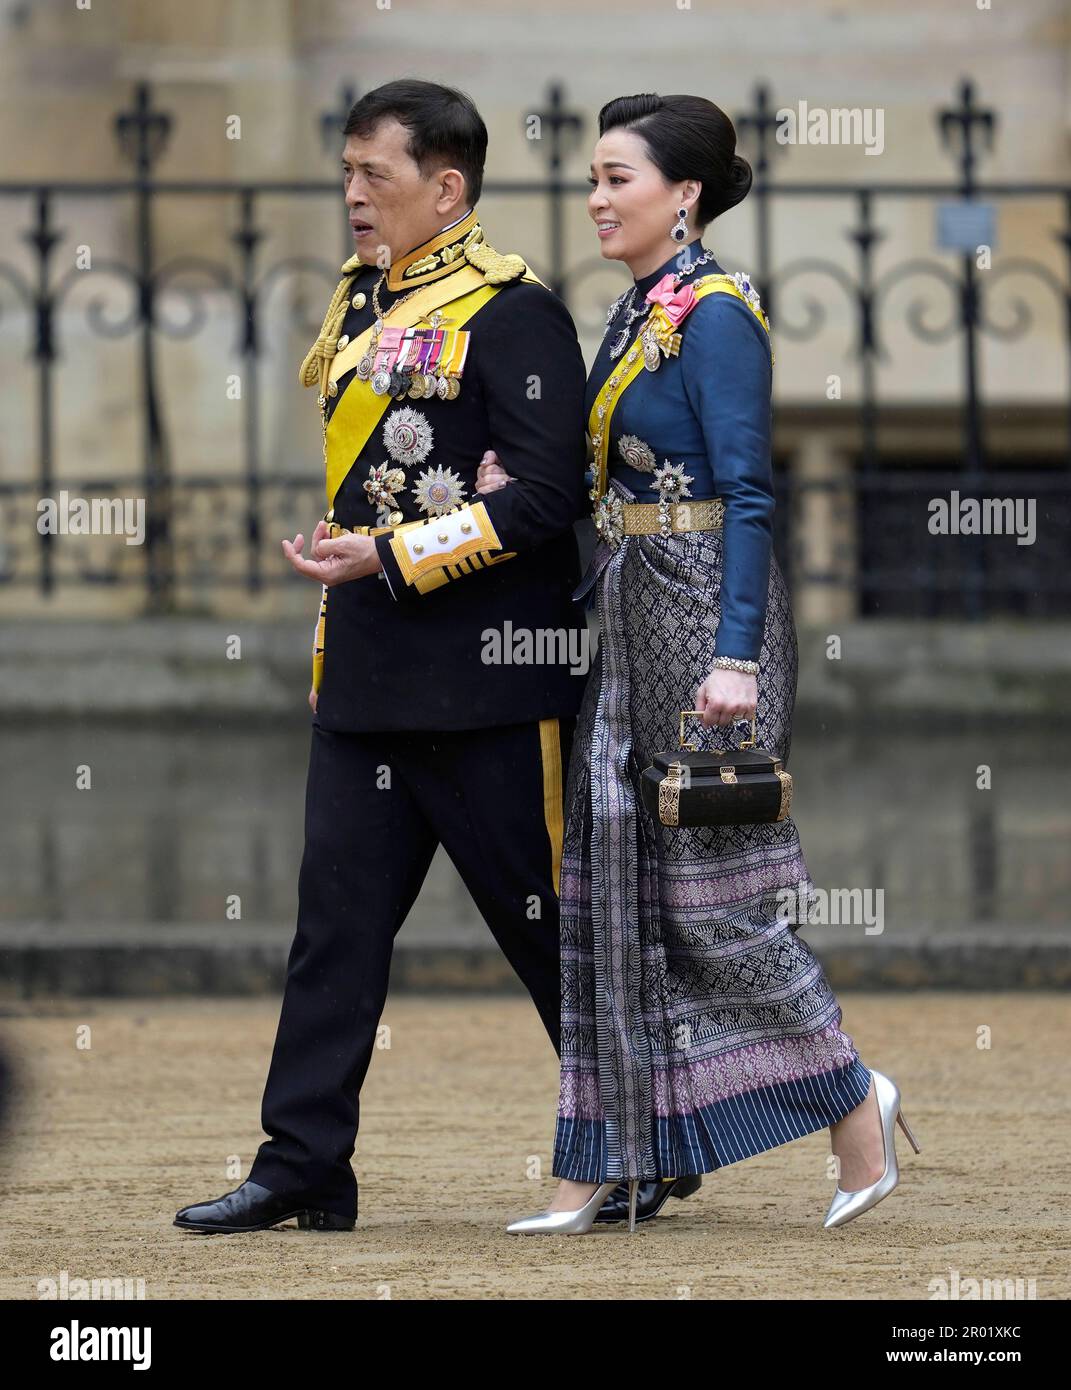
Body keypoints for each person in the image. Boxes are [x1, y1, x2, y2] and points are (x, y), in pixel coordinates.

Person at [174, 79, 673, 1235]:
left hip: (494, 684)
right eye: (345, 173)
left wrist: (396, 552)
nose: (352, 196)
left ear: (446, 188)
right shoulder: (362, 300)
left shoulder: (516, 311)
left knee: (552, 931)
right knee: (332, 934)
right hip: (366, 677)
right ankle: (303, 1163)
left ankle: (643, 1144)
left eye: (375, 176)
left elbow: (553, 494)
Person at [478, 93, 921, 1236]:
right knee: (612, 893)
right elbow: (608, 477)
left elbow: (752, 495)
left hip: (703, 624)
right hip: (627, 618)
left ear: (684, 194)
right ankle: (603, 1164)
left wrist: (735, 659)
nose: (595, 198)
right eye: (591, 177)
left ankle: (851, 1100)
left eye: (617, 177)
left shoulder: (717, 313)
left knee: (721, 903)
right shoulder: (634, 313)